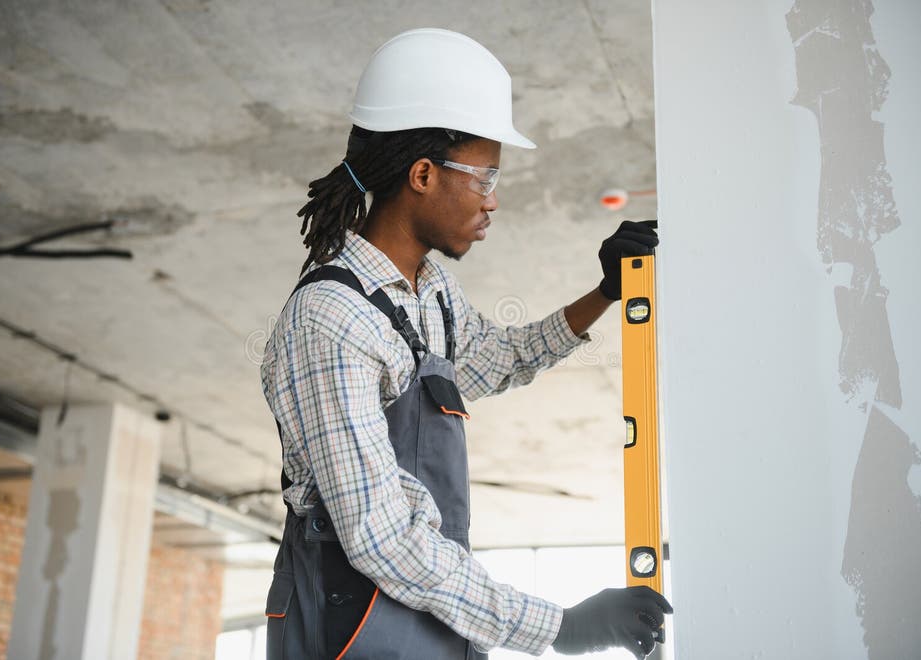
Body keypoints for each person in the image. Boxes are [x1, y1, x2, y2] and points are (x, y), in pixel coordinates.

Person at [259, 28, 671, 659]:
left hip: (426, 619)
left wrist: (604, 292)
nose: (494, 200)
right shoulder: (332, 320)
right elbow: (382, 539)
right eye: (484, 178)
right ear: (423, 174)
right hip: (354, 635)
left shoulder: (428, 290)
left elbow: (496, 360)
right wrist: (562, 627)